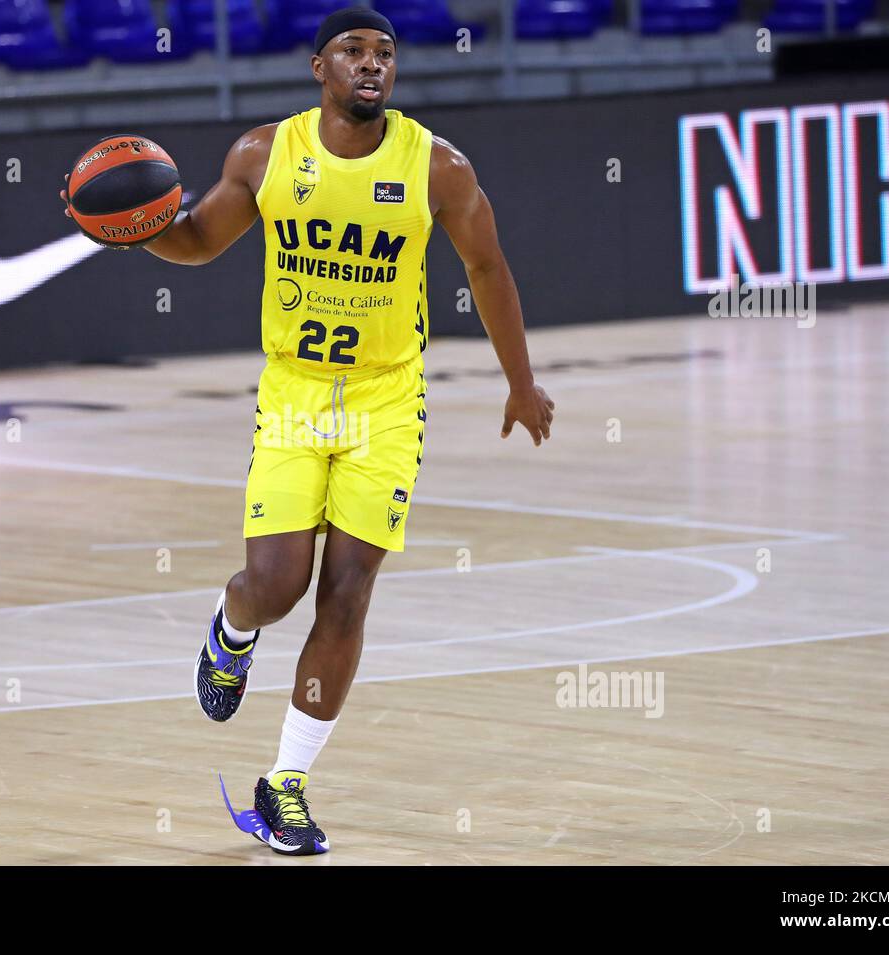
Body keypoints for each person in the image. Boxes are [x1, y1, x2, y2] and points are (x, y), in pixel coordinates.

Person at [64, 6, 554, 856]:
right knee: (277, 581)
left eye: (385, 54)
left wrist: (522, 383)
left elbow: (488, 268)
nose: (373, 65)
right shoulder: (266, 153)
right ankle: (231, 628)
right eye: (354, 52)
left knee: (350, 591)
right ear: (318, 68)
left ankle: (284, 783)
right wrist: (132, 231)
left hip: (387, 403)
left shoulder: (437, 167)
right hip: (293, 393)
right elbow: (200, 239)